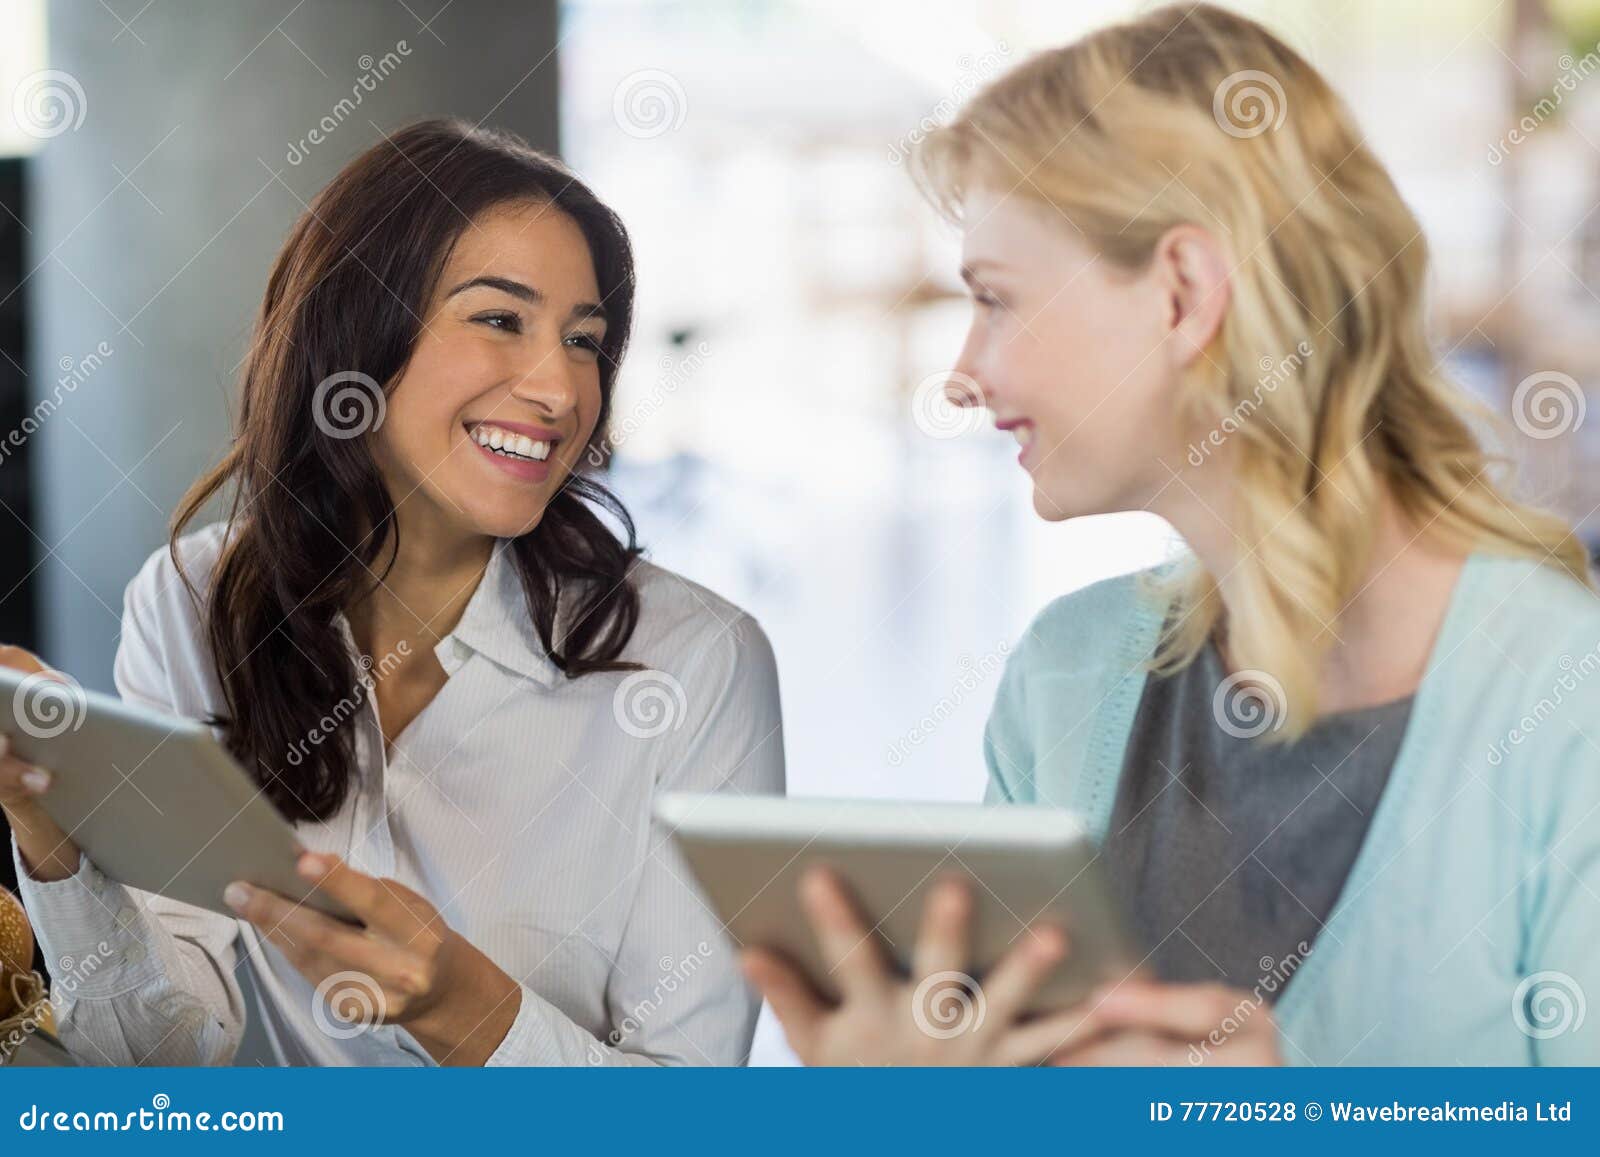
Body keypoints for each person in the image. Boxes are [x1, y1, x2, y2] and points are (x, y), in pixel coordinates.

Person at [744, 2, 1600, 1066]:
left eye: (997, 300)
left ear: (1184, 294)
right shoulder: (1064, 677)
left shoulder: (1565, 706)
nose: (965, 372)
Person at [0, 118, 784, 1067]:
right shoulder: (194, 600)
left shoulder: (697, 661)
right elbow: (161, 1058)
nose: (561, 388)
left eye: (586, 340)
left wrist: (472, 1013)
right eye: (501, 318)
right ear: (356, 330)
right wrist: (54, 835)